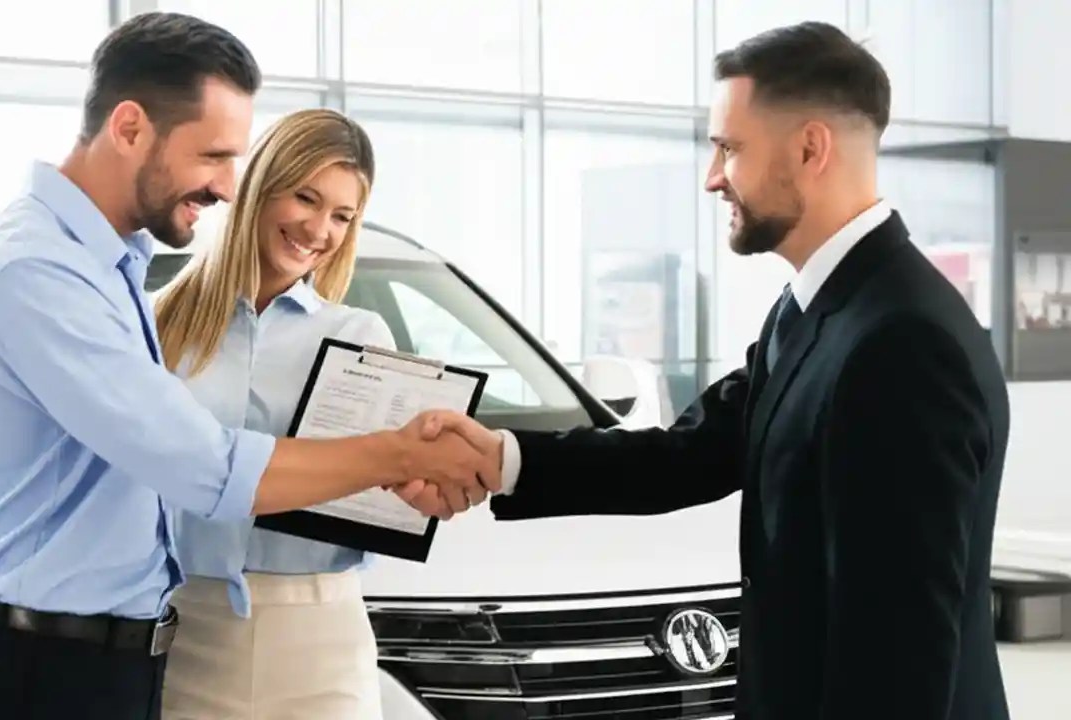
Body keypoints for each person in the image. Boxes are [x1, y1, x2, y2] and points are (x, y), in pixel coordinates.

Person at [411, 21, 1012, 720]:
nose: (711, 177)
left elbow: (901, 642)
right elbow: (687, 454)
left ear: (810, 147)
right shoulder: (815, 309)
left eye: (729, 148)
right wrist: (502, 458)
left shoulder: (901, 343)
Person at [0, 13, 496, 720]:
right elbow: (203, 467)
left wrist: (406, 477)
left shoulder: (112, 271)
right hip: (87, 660)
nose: (227, 186)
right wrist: (394, 453)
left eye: (343, 216)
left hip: (182, 647)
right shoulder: (44, 273)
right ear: (131, 127)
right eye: (214, 157)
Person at [151, 107, 387, 719]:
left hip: (321, 641)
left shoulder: (358, 337)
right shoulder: (156, 324)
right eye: (306, 198)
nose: (319, 229)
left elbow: (378, 488)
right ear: (260, 187)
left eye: (342, 215)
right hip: (185, 631)